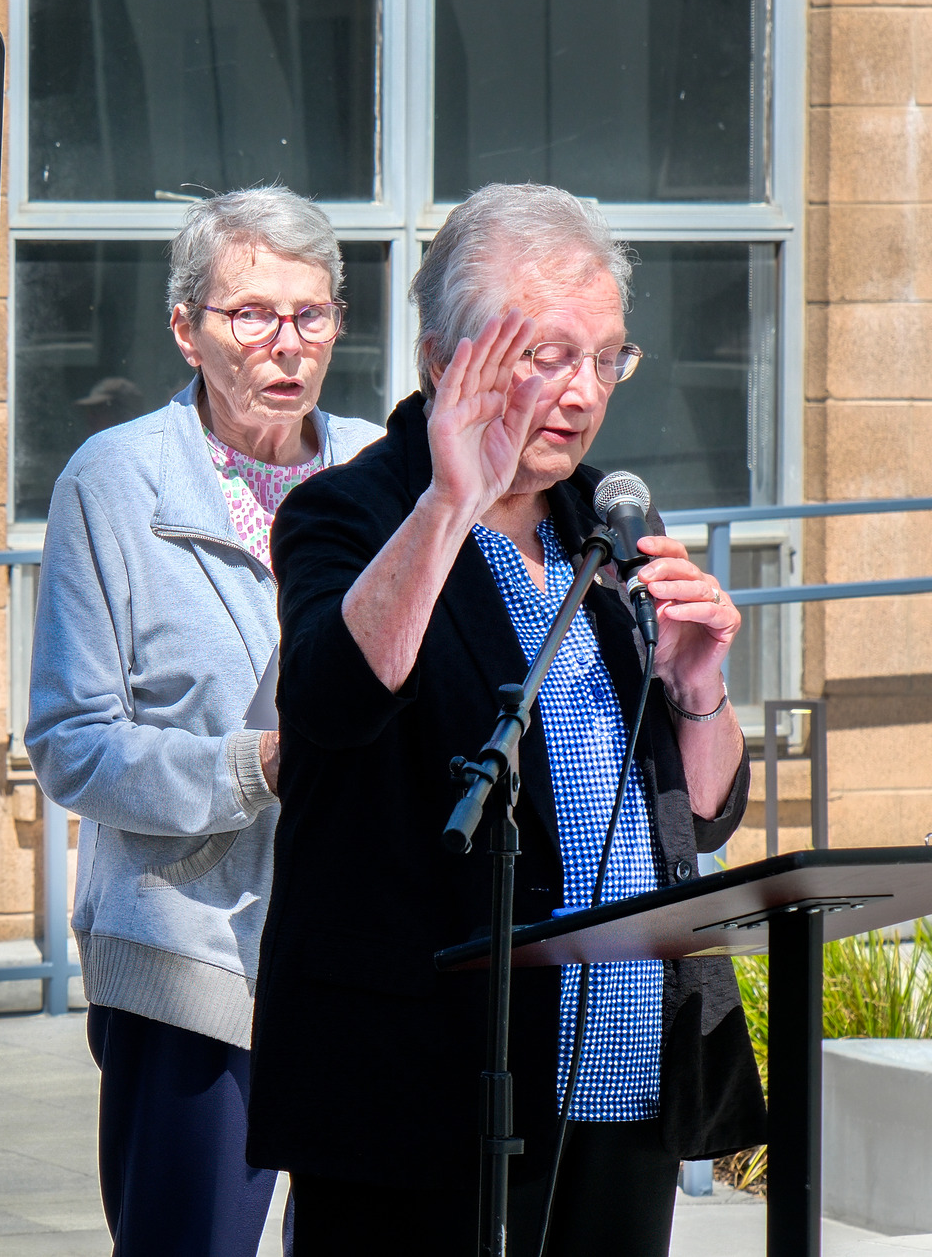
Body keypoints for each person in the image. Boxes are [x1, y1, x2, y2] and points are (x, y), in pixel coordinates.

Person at [249, 183, 765, 1256]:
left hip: (620, 1065)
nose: (583, 391)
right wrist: (451, 500)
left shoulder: (610, 520)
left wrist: (698, 688)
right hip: (424, 1077)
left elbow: (704, 813)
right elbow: (331, 707)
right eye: (548, 356)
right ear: (445, 359)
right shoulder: (348, 512)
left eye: (607, 359)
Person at [25, 186, 384, 1257]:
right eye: (252, 314)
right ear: (186, 329)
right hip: (186, 957)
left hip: (362, 951)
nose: (287, 342)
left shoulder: (382, 473)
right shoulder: (114, 480)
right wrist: (253, 766)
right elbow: (70, 743)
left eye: (310, 314)